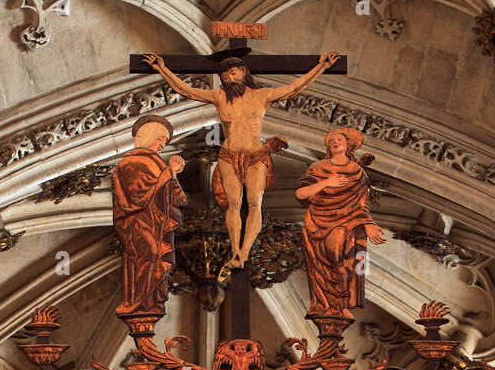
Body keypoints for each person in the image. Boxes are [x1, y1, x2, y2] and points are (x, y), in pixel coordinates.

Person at [142, 51, 340, 267]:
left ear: (244, 72)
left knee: (255, 203)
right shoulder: (219, 98)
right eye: (225, 76)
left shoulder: (262, 96)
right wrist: (161, 69)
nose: (229, 78)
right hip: (228, 155)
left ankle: (244, 252)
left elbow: (294, 88)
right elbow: (186, 90)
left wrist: (322, 67)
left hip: (255, 156)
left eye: (233, 73)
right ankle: (235, 250)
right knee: (234, 204)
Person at [295, 127, 385, 319]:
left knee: (340, 260)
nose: (335, 142)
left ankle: (340, 303)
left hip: (346, 225)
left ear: (348, 145)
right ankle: (322, 304)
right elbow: (301, 193)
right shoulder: (318, 168)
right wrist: (326, 183)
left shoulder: (357, 173)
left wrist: (368, 225)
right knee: (318, 265)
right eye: (332, 140)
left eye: (340, 140)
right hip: (316, 223)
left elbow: (361, 205)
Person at [112, 114, 186, 317]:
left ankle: (149, 303)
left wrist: (172, 174)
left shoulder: (157, 165)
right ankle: (137, 303)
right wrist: (168, 173)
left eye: (166, 140)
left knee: (157, 258)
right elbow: (138, 197)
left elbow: (179, 199)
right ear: (147, 135)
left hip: (156, 224)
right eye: (160, 137)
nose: (163, 143)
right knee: (150, 254)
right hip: (137, 223)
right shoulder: (130, 163)